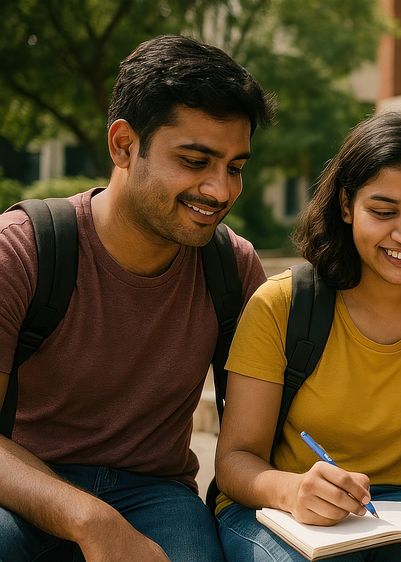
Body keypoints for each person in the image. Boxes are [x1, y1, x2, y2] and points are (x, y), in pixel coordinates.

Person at [0, 35, 273, 561]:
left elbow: (253, 438)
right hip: (23, 486)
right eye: (195, 161)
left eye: (235, 167)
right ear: (124, 145)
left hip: (157, 494)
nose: (220, 191)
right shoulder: (22, 250)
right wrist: (92, 519)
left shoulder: (232, 268)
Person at [213, 111, 401, 561]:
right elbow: (235, 463)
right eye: (383, 212)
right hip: (281, 507)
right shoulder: (282, 304)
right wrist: (294, 491)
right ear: (346, 205)